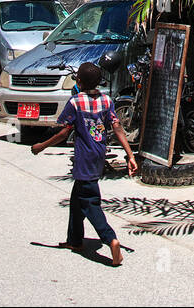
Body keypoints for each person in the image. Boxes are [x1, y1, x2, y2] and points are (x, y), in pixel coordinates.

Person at [30, 61, 137, 264]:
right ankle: (75, 240)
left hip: (83, 158)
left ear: (78, 80)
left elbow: (63, 132)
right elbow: (118, 129)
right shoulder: (106, 101)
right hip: (98, 155)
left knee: (89, 202)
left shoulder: (75, 102)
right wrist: (130, 155)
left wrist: (41, 146)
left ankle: (110, 238)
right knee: (77, 198)